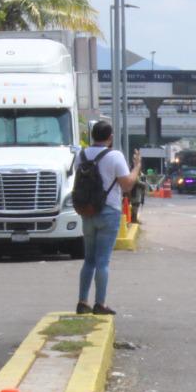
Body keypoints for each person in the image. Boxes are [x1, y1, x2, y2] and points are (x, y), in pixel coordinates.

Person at [76, 120, 142, 316]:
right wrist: (137, 166)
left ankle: (82, 301)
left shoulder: (81, 155)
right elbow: (127, 185)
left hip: (87, 211)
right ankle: (100, 303)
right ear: (110, 137)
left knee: (89, 260)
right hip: (109, 212)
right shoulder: (115, 156)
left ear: (92, 136)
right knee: (102, 261)